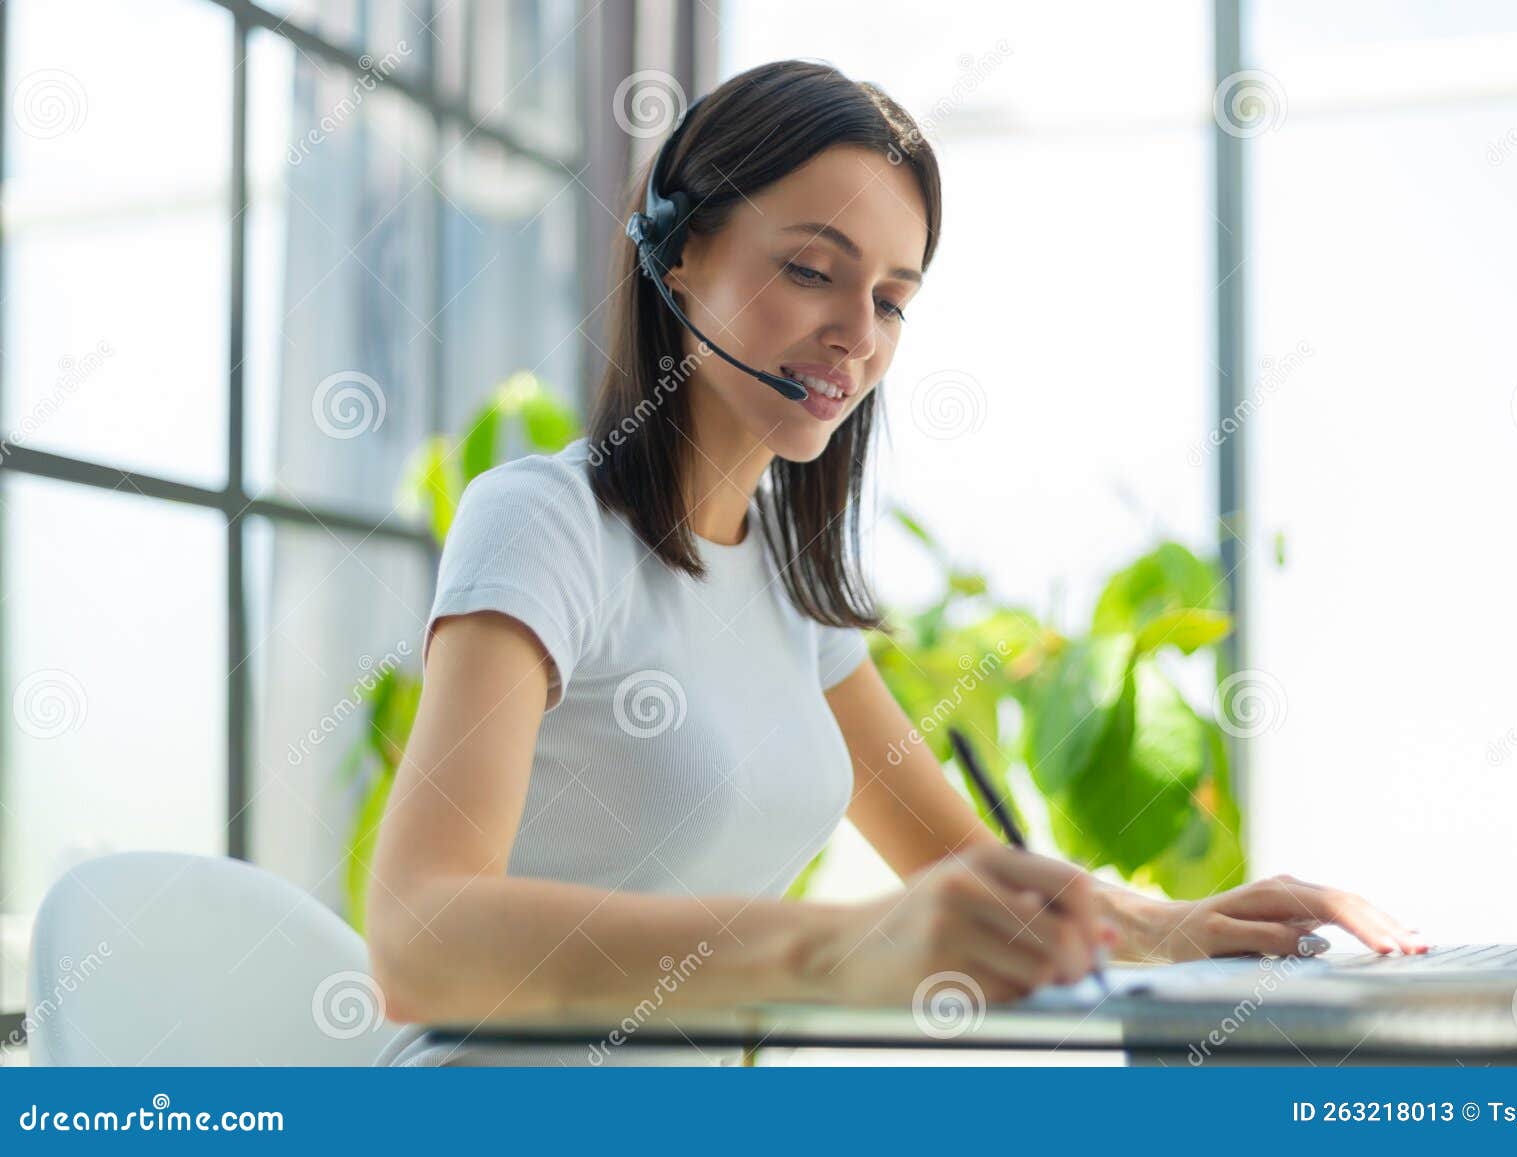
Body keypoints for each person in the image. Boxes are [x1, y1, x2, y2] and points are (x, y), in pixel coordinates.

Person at [368, 59, 1426, 1068]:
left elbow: (956, 860)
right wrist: (835, 948)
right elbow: (417, 937)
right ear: (678, 254)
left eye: (890, 299)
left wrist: (1171, 922)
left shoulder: (786, 569)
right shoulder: (543, 523)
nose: (854, 337)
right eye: (812, 271)